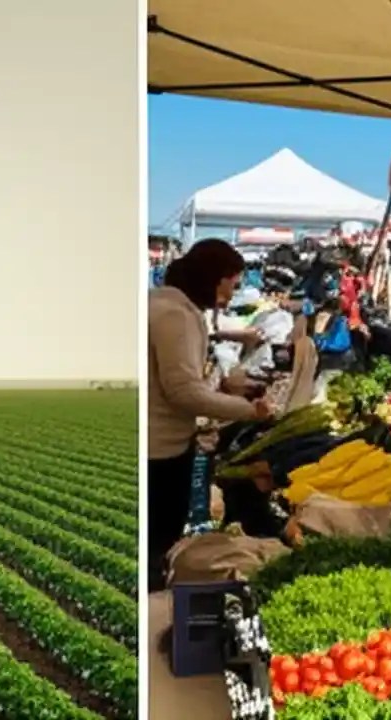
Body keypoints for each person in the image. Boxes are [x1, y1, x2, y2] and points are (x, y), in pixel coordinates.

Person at [148, 239, 274, 591]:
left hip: (159, 444)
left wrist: (226, 388)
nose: (232, 295)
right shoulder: (176, 315)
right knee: (158, 539)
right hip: (160, 451)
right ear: (215, 278)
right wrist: (251, 411)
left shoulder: (165, 304)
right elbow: (183, 392)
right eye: (232, 284)